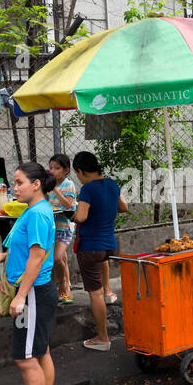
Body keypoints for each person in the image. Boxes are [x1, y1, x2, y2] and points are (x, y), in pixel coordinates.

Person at [0, 163, 57, 385]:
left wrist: (20, 296)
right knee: (39, 352)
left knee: (25, 357)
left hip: (32, 294)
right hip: (34, 292)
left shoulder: (38, 213)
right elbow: (27, 249)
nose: (13, 188)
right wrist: (4, 257)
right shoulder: (33, 211)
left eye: (18, 183)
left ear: (36, 184)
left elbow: (37, 257)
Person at [72, 151, 128, 352]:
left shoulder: (87, 189)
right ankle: (104, 331)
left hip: (91, 247)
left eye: (76, 173)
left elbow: (82, 217)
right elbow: (124, 207)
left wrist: (73, 216)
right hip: (109, 245)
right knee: (100, 291)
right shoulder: (112, 184)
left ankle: (103, 338)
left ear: (81, 170)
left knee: (95, 294)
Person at [47, 153, 78, 303]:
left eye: (57, 168)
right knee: (62, 258)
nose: (53, 171)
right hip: (53, 227)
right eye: (51, 168)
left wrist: (56, 189)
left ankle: (62, 285)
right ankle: (67, 290)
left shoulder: (68, 184)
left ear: (66, 170)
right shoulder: (49, 185)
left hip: (65, 227)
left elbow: (68, 204)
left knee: (57, 258)